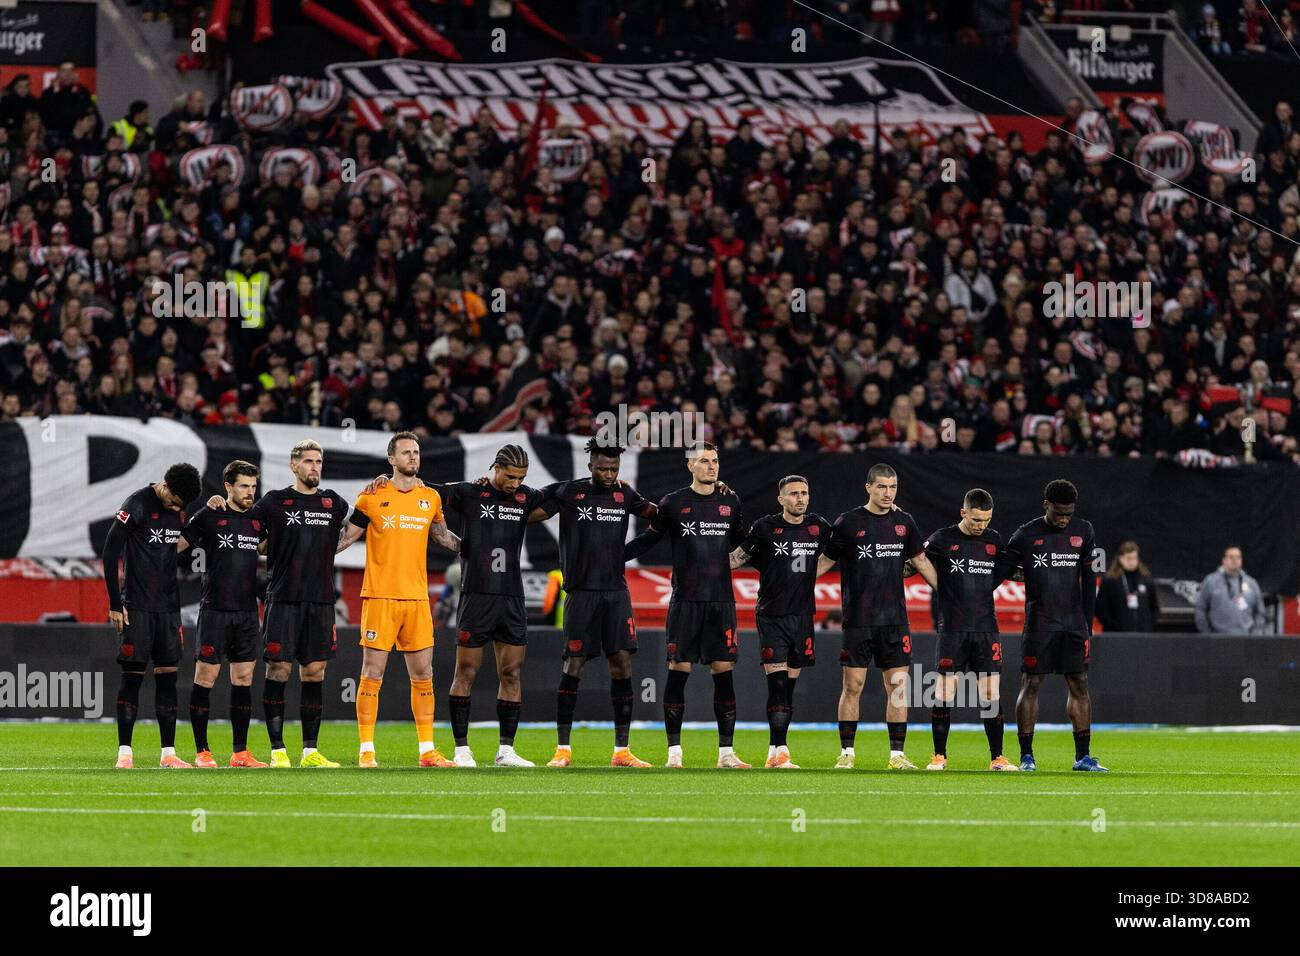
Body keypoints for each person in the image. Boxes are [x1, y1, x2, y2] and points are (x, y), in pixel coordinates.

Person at [207, 439, 351, 767]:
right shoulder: (273, 502)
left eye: (319, 461)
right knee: (279, 669)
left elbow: (350, 532)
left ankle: (311, 751)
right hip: (283, 597)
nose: (315, 467)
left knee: (315, 672)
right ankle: (277, 750)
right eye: (309, 461)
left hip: (320, 600)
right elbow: (246, 529)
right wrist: (221, 501)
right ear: (293, 465)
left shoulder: (334, 503)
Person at [335, 432, 461, 768]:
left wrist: (477, 548)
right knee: (372, 673)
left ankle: (427, 751)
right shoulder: (372, 497)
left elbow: (443, 536)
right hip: (380, 596)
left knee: (424, 674)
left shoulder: (430, 497)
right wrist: (307, 548)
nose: (413, 457)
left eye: (416, 452)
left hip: (417, 599)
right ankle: (366, 750)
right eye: (406, 452)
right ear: (391, 459)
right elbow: (347, 537)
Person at [625, 442, 750, 769]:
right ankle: (674, 753)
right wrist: (613, 556)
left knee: (723, 673)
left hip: (721, 601)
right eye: (705, 461)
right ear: (690, 466)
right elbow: (648, 540)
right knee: (678, 671)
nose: (712, 466)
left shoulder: (731, 501)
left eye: (715, 460)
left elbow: (745, 543)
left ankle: (726, 753)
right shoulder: (674, 503)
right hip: (685, 601)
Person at [533, 438, 657, 768]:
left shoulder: (625, 494)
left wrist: (627, 554)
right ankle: (563, 749)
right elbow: (528, 507)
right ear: (590, 467)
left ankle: (622, 751)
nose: (607, 473)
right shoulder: (569, 493)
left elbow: (659, 519)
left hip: (616, 594)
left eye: (613, 469)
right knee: (574, 665)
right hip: (581, 594)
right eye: (602, 468)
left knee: (622, 665)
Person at [821, 464, 937, 769]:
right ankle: (847, 752)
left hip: (895, 619)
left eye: (893, 487)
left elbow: (921, 561)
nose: (888, 493)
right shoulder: (849, 522)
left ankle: (897, 755)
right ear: (869, 488)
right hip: (858, 619)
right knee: (852, 686)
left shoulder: (904, 522)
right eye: (882, 487)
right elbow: (825, 561)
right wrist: (795, 580)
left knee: (898, 687)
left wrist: (947, 593)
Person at [440, 443, 548, 767]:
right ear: (496, 467)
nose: (516, 483)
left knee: (512, 673)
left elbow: (561, 498)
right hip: (477, 594)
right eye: (511, 476)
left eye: (522, 477)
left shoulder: (525, 497)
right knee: (466, 670)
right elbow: (428, 494)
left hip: (512, 596)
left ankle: (506, 751)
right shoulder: (470, 494)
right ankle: (461, 749)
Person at [997, 479, 1106, 772]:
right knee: (1031, 682)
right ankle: (1026, 756)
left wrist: (1088, 624)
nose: (1063, 519)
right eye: (1058, 512)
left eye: (1068, 513)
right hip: (1039, 623)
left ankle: (1083, 757)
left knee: (1079, 683)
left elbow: (1089, 582)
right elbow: (998, 574)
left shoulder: (1084, 531)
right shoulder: (1025, 535)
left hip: (1073, 623)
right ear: (1046, 505)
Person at [102, 462, 203, 768]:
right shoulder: (136, 504)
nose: (176, 507)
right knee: (131, 679)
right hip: (137, 607)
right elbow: (110, 552)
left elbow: (179, 552)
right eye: (174, 501)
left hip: (168, 609)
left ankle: (168, 754)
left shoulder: (179, 509)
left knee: (168, 681)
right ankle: (124, 753)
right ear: (165, 485)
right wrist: (115, 604)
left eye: (181, 506)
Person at [729, 475, 835, 769]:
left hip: (802, 616)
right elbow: (737, 558)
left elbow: (839, 551)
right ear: (781, 499)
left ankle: (775, 751)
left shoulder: (819, 527)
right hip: (771, 615)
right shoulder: (765, 527)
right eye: (793, 494)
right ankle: (779, 750)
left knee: (787, 689)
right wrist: (703, 563)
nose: (800, 498)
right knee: (777, 686)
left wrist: (812, 574)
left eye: (804, 493)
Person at [914, 488, 1019, 771]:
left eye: (985, 520)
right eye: (975, 520)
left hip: (986, 628)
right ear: (963, 512)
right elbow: (915, 562)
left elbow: (1009, 572)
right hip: (953, 628)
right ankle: (939, 757)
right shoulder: (942, 539)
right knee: (945, 692)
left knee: (990, 695)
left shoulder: (993, 540)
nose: (980, 526)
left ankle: (997, 758)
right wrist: (940, 586)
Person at [177, 460, 268, 768]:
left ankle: (240, 753)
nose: (250, 492)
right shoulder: (210, 515)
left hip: (246, 612)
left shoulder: (258, 519)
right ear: (228, 487)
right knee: (206, 677)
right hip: (214, 609)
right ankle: (202, 751)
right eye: (244, 486)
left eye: (254, 486)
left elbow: (274, 545)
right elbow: (178, 544)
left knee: (243, 679)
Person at [1194, 546, 1265, 634]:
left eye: (1238, 557)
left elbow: (1260, 612)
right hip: (1218, 639)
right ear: (1223, 560)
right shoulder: (1211, 581)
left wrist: (1255, 634)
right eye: (1231, 557)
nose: (1235, 560)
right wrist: (1208, 635)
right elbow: (1200, 609)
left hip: (1246, 640)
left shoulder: (1251, 583)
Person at [1096, 541, 1159, 632]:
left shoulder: (1146, 579)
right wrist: (1113, 626)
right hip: (1117, 635)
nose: (1132, 561)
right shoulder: (1109, 581)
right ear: (1120, 559)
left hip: (1144, 635)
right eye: (1128, 558)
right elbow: (1100, 609)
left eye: (1134, 558)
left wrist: (1149, 625)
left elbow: (1154, 606)